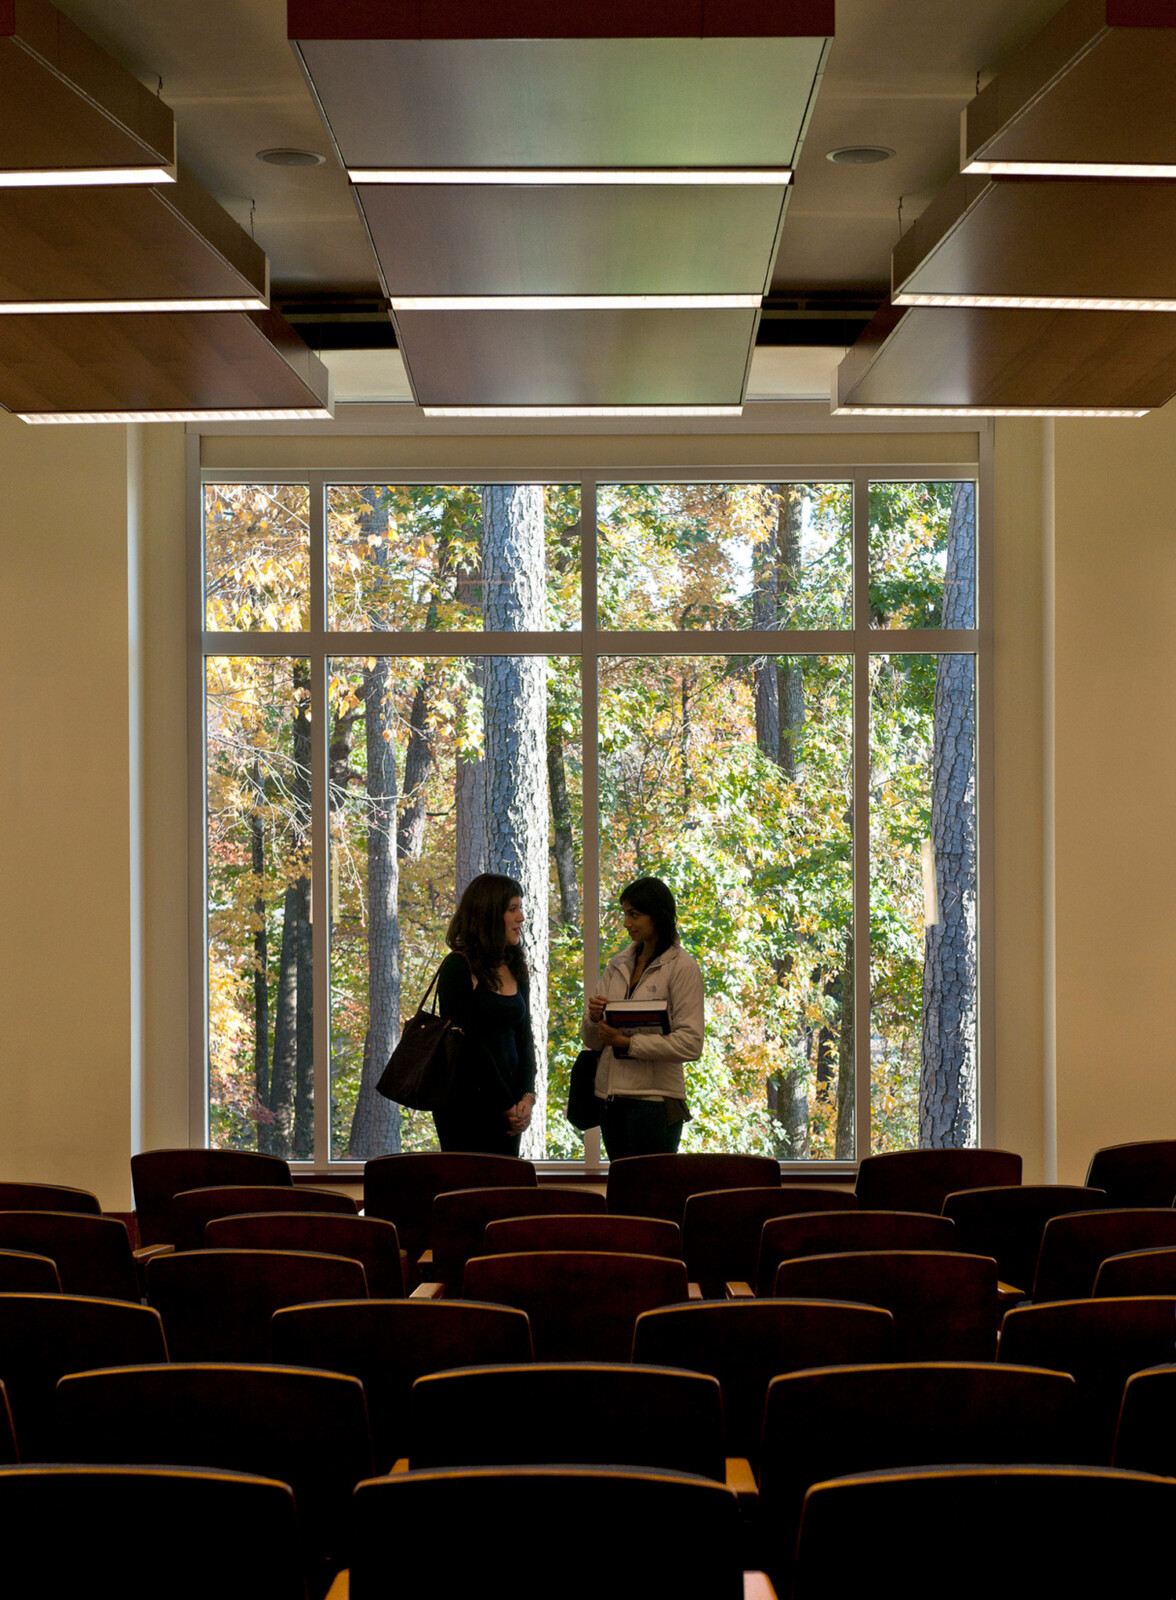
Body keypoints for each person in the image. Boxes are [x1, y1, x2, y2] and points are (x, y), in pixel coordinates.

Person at [583, 876, 704, 1160]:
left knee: (651, 1196)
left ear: (658, 915)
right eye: (625, 913)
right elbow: (592, 1041)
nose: (626, 923)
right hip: (609, 1098)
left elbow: (691, 1044)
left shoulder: (682, 967)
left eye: (634, 914)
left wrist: (627, 1042)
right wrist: (592, 1017)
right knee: (622, 1191)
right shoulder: (617, 964)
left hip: (655, 1102)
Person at [433, 872, 537, 1156]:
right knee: (469, 1193)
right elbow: (469, 1045)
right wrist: (506, 1104)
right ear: (491, 914)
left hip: (511, 1108)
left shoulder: (515, 965)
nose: (521, 918)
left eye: (521, 908)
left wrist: (527, 1096)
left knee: (503, 1194)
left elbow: (524, 1035)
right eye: (512, 909)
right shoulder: (458, 966)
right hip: (466, 1105)